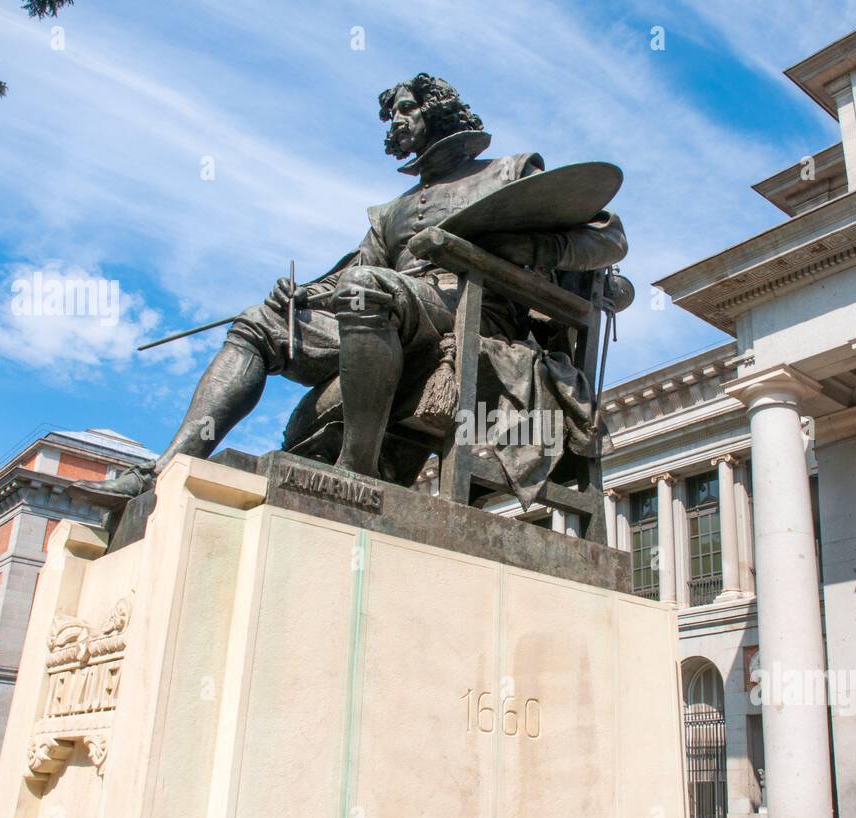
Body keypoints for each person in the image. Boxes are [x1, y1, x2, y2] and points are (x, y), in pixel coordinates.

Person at [71, 72, 625, 501]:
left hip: (473, 312)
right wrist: (303, 296)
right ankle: (165, 470)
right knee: (259, 323)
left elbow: (611, 240)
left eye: (406, 109)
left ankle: (356, 471)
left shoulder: (509, 171)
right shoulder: (393, 210)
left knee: (366, 288)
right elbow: (353, 270)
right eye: (394, 115)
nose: (396, 122)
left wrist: (541, 250)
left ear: (438, 109)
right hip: (393, 310)